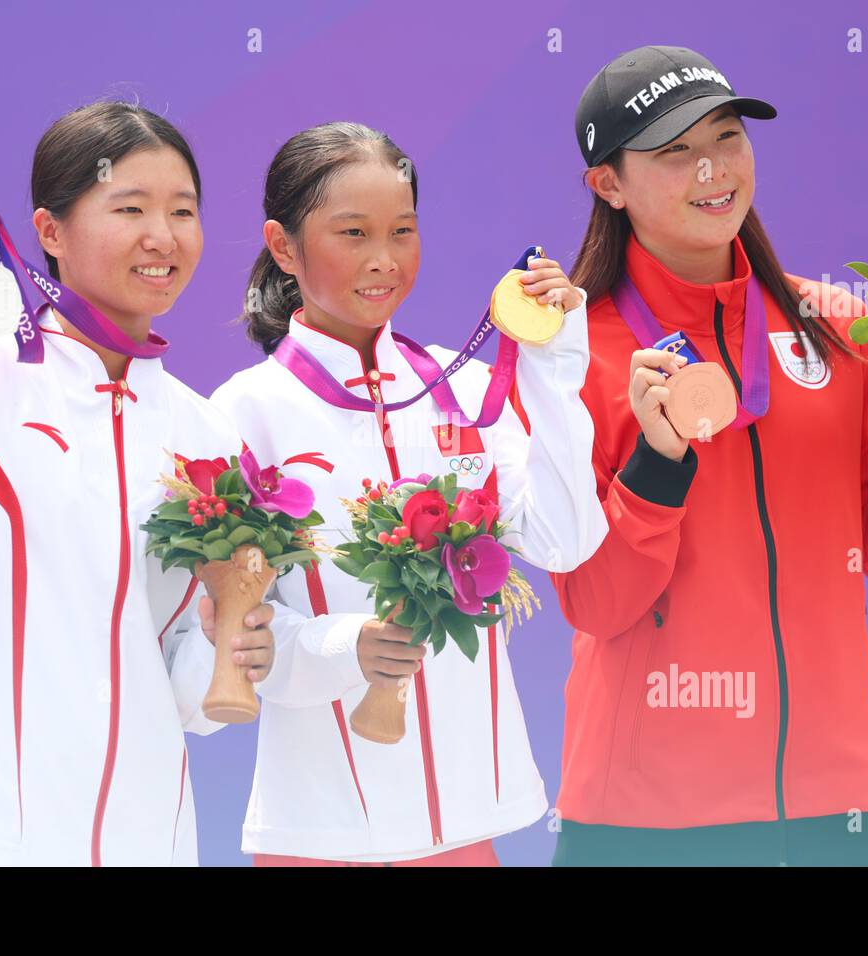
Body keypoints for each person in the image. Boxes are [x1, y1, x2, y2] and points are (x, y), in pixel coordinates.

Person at [549, 46, 868, 866]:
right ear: (607, 185)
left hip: (839, 808)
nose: (712, 169)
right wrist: (655, 469)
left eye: (727, 137)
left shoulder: (838, 324)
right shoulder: (571, 358)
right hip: (648, 818)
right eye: (673, 151)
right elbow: (593, 602)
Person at [0, 101, 313, 866]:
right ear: (50, 231)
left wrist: (239, 650)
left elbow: (182, 681)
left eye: (183, 210)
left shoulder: (203, 433)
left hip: (148, 841)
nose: (161, 236)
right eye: (129, 208)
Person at [203, 121, 608, 865]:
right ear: (284, 246)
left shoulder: (467, 387)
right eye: (352, 233)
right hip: (317, 831)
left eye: (403, 231)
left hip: (461, 827)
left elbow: (567, 540)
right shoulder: (241, 414)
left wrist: (554, 373)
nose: (384, 260)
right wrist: (347, 645)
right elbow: (241, 631)